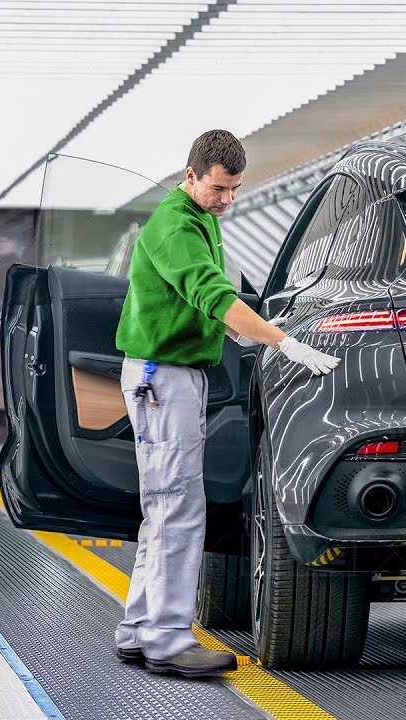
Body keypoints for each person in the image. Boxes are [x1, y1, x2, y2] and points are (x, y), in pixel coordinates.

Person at [113, 129, 338, 677]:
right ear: (190, 176)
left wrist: (253, 330)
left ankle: (138, 628)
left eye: (235, 189)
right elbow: (211, 295)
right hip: (162, 378)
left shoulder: (203, 218)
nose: (228, 199)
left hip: (174, 375)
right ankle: (168, 639)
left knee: (162, 507)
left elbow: (213, 301)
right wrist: (283, 343)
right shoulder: (175, 226)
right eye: (219, 188)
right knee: (178, 506)